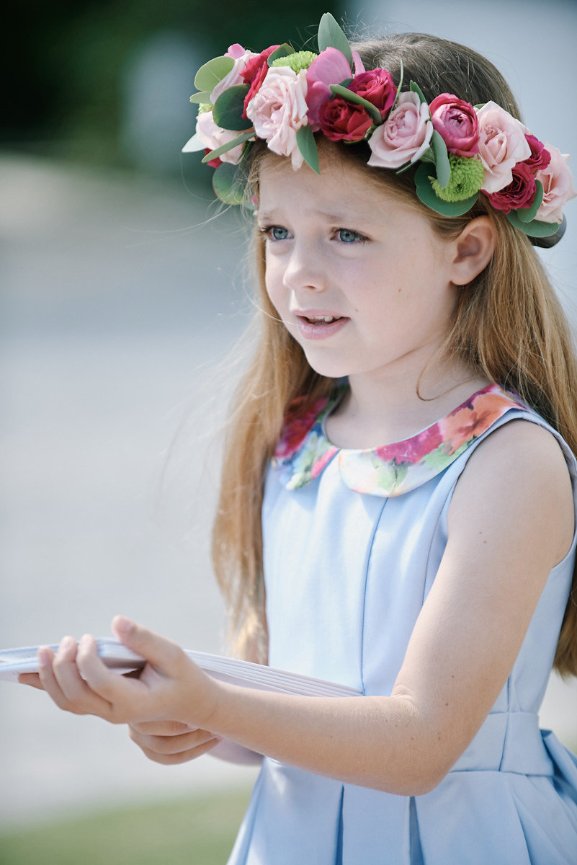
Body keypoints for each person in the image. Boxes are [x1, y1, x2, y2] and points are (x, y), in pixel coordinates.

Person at [20, 13, 577, 864]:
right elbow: (282, 699)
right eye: (277, 232)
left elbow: (421, 742)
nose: (299, 272)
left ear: (465, 250)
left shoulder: (506, 462)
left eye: (345, 234)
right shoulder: (297, 438)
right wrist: (183, 712)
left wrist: (216, 702)